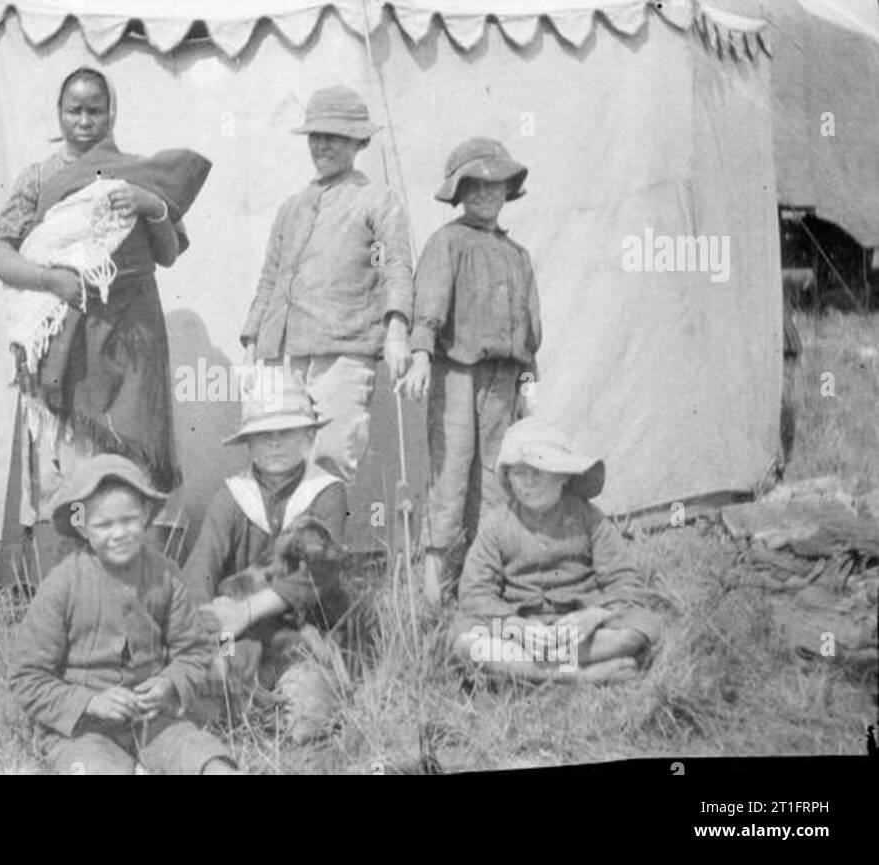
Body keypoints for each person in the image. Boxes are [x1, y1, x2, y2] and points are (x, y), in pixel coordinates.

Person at [0, 66, 210, 565]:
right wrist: (52, 280)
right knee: (62, 459)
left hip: (129, 336)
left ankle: (124, 590)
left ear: (112, 113)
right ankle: (65, 589)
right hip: (64, 339)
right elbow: (0, 258)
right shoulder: (40, 178)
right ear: (59, 113)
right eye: (74, 110)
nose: (85, 121)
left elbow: (169, 254)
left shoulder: (134, 174)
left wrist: (151, 204)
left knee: (122, 459)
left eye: (96, 110)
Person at [8, 455, 241, 774]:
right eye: (104, 524)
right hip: (81, 731)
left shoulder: (167, 576)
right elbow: (26, 678)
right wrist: (89, 701)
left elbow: (196, 652)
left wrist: (169, 683)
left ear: (146, 515)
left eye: (129, 520)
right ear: (82, 525)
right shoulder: (61, 585)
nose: (119, 533)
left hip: (155, 721)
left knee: (212, 764)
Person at [240, 84, 414, 485]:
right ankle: (278, 548)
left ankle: (317, 546)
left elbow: (396, 267)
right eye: (316, 136)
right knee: (275, 458)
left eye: (334, 136)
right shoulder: (292, 207)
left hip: (343, 352)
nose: (322, 145)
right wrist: (253, 338)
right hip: (281, 355)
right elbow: (270, 278)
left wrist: (397, 328)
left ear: (359, 140)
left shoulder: (377, 200)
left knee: (330, 457)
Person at [400, 137, 541, 605]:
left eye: (495, 186)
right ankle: (432, 593)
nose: (486, 195)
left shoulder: (517, 254)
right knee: (452, 471)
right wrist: (420, 354)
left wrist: (527, 383)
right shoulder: (448, 242)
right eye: (475, 186)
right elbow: (430, 306)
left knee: (495, 477)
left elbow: (527, 328)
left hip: (503, 381)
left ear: (507, 192)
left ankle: (482, 588)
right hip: (456, 374)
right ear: (458, 192)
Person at [184, 374, 350, 743]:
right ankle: (238, 702)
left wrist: (248, 609)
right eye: (264, 434)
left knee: (308, 723)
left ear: (309, 437)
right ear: (248, 444)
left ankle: (288, 698)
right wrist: (218, 626)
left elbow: (319, 574)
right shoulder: (231, 497)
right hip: (239, 633)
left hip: (304, 631)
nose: (275, 443)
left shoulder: (325, 492)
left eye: (287, 432)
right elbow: (198, 574)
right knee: (215, 685)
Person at [448, 418, 662, 683]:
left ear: (562, 475)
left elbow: (625, 581)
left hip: (581, 631)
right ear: (509, 479)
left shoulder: (590, 518)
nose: (528, 482)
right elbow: (475, 592)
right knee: (467, 643)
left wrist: (593, 616)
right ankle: (580, 675)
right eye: (518, 473)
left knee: (635, 632)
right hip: (523, 630)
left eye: (538, 471)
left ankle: (535, 671)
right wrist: (514, 626)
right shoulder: (496, 524)